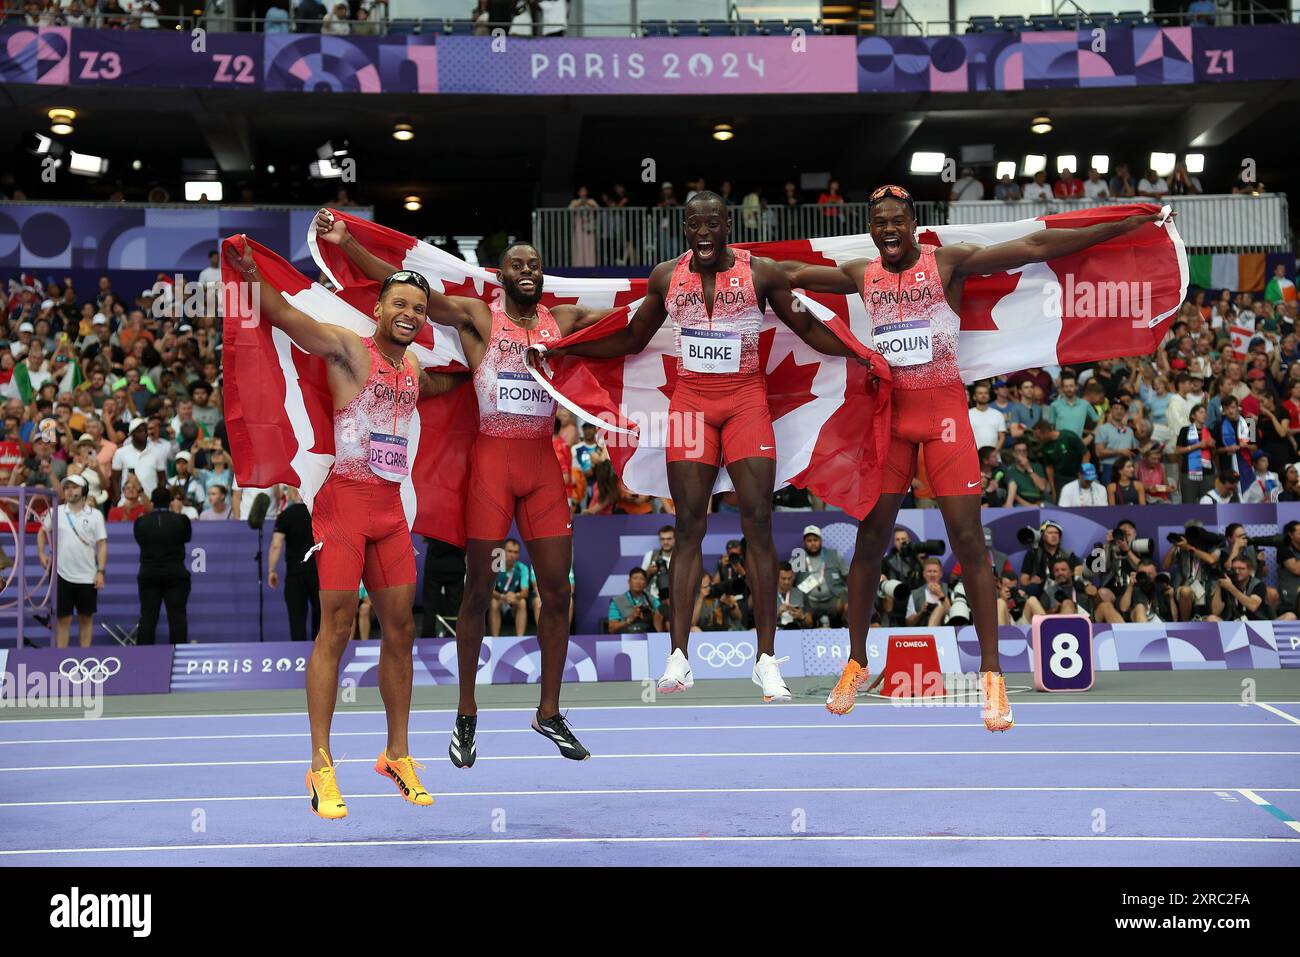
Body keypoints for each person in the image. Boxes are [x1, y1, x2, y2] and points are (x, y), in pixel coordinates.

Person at [783, 184, 1166, 729]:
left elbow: (1036, 247)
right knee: (870, 539)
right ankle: (857, 662)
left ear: (913, 224)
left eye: (897, 221)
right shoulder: (859, 274)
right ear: (872, 230)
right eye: (879, 223)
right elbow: (790, 276)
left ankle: (992, 678)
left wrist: (1125, 226)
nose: (888, 230)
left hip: (942, 414)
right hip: (891, 417)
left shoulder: (950, 263)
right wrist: (725, 262)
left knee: (969, 540)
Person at [534, 190, 879, 704]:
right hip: (692, 405)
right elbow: (630, 339)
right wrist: (564, 349)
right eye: (693, 223)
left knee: (757, 520)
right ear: (686, 228)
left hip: (745, 404)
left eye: (711, 222)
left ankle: (766, 661)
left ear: (726, 226)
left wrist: (860, 352)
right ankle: (679, 658)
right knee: (689, 524)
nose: (702, 231)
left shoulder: (761, 274)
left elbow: (806, 327)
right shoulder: (666, 276)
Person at [317, 209, 608, 764]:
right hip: (492, 462)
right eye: (515, 263)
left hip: (541, 464)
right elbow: (405, 288)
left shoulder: (562, 321)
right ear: (500, 276)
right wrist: (348, 241)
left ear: (543, 274)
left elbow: (629, 322)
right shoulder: (479, 315)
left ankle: (548, 711)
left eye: (534, 263)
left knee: (558, 591)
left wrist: (684, 301)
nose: (526, 269)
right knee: (475, 592)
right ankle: (466, 714)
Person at [226, 235, 467, 819]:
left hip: (389, 510)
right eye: (400, 305)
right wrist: (250, 267)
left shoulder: (411, 365)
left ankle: (397, 756)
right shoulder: (346, 349)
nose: (410, 315)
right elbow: (283, 314)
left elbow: (439, 386)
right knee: (335, 629)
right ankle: (321, 766)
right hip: (342, 506)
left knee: (401, 632)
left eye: (418, 308)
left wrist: (479, 375)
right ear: (378, 310)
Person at [37, 475, 107, 649]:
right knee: (63, 619)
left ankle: (85, 659)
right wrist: (41, 554)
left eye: (74, 487)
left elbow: (102, 544)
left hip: (88, 576)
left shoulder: (95, 515)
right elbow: (42, 532)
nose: (69, 490)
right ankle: (61, 658)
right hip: (61, 574)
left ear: (83, 490)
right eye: (66, 487)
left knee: (86, 618)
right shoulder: (56, 512)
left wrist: (101, 571)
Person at [134, 486, 192, 645]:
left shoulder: (141, 522)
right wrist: (178, 514)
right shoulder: (181, 520)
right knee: (178, 616)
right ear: (170, 502)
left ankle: (143, 656)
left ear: (151, 503)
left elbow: (140, 540)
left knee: (147, 616)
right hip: (176, 574)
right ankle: (180, 653)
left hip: (149, 574)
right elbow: (187, 537)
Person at [267, 487, 321, 643]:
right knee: (320, 620)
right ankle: (320, 659)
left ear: (293, 493)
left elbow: (276, 545)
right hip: (318, 574)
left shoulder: (285, 515)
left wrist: (271, 570)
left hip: (295, 574)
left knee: (297, 619)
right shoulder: (319, 513)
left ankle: (299, 659)